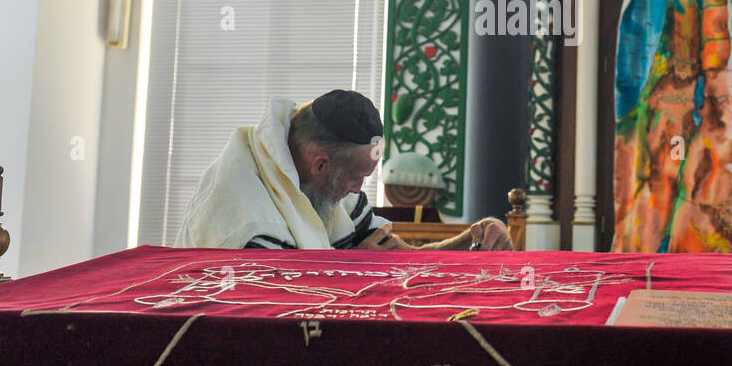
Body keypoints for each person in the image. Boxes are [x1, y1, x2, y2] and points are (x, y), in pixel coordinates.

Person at [175, 90, 512, 251]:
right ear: (320, 164)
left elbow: (402, 257)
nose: (358, 189)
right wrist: (354, 266)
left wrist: (474, 237)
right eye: (356, 179)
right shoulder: (245, 215)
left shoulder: (325, 186)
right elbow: (279, 310)